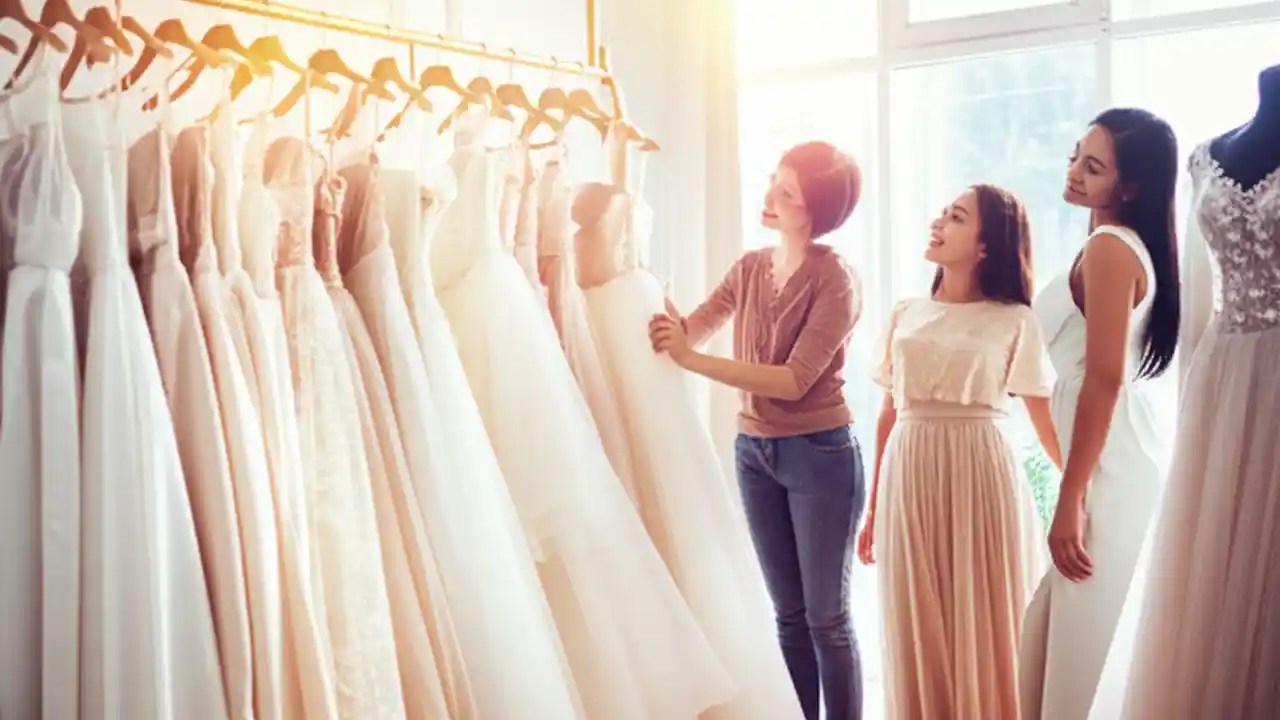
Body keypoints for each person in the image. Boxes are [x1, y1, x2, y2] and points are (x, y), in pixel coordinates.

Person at [648, 141, 865, 720]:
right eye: (775, 179)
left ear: (815, 212)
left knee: (827, 618)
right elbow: (693, 328)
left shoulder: (836, 280)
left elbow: (792, 381)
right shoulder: (749, 268)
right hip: (755, 453)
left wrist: (691, 361)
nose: (770, 195)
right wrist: (645, 292)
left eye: (787, 192)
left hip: (820, 455)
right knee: (788, 616)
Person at [857, 184, 1057, 719]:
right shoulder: (906, 313)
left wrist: (1084, 489)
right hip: (909, 467)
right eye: (943, 212)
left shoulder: (1014, 319)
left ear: (986, 244)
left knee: (986, 617)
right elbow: (887, 412)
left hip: (982, 470)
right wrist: (873, 506)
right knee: (915, 620)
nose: (938, 222)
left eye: (956, 217)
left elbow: (1044, 420)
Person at [1018, 108, 1180, 720]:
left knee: (1089, 641)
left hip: (1112, 468)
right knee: (1070, 631)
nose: (1075, 172)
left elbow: (1105, 381)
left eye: (1094, 165)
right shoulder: (1108, 245)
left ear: (1130, 186)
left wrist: (1069, 498)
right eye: (1074, 156)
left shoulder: (1112, 249)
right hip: (1110, 454)